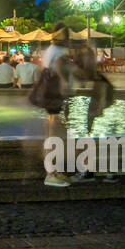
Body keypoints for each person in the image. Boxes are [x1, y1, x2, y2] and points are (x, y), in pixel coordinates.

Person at [35, 27, 74, 187]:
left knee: (54, 133)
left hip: (52, 96)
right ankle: (50, 174)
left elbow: (44, 70)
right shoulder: (58, 50)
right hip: (54, 95)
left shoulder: (52, 49)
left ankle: (54, 170)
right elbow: (60, 72)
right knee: (53, 134)